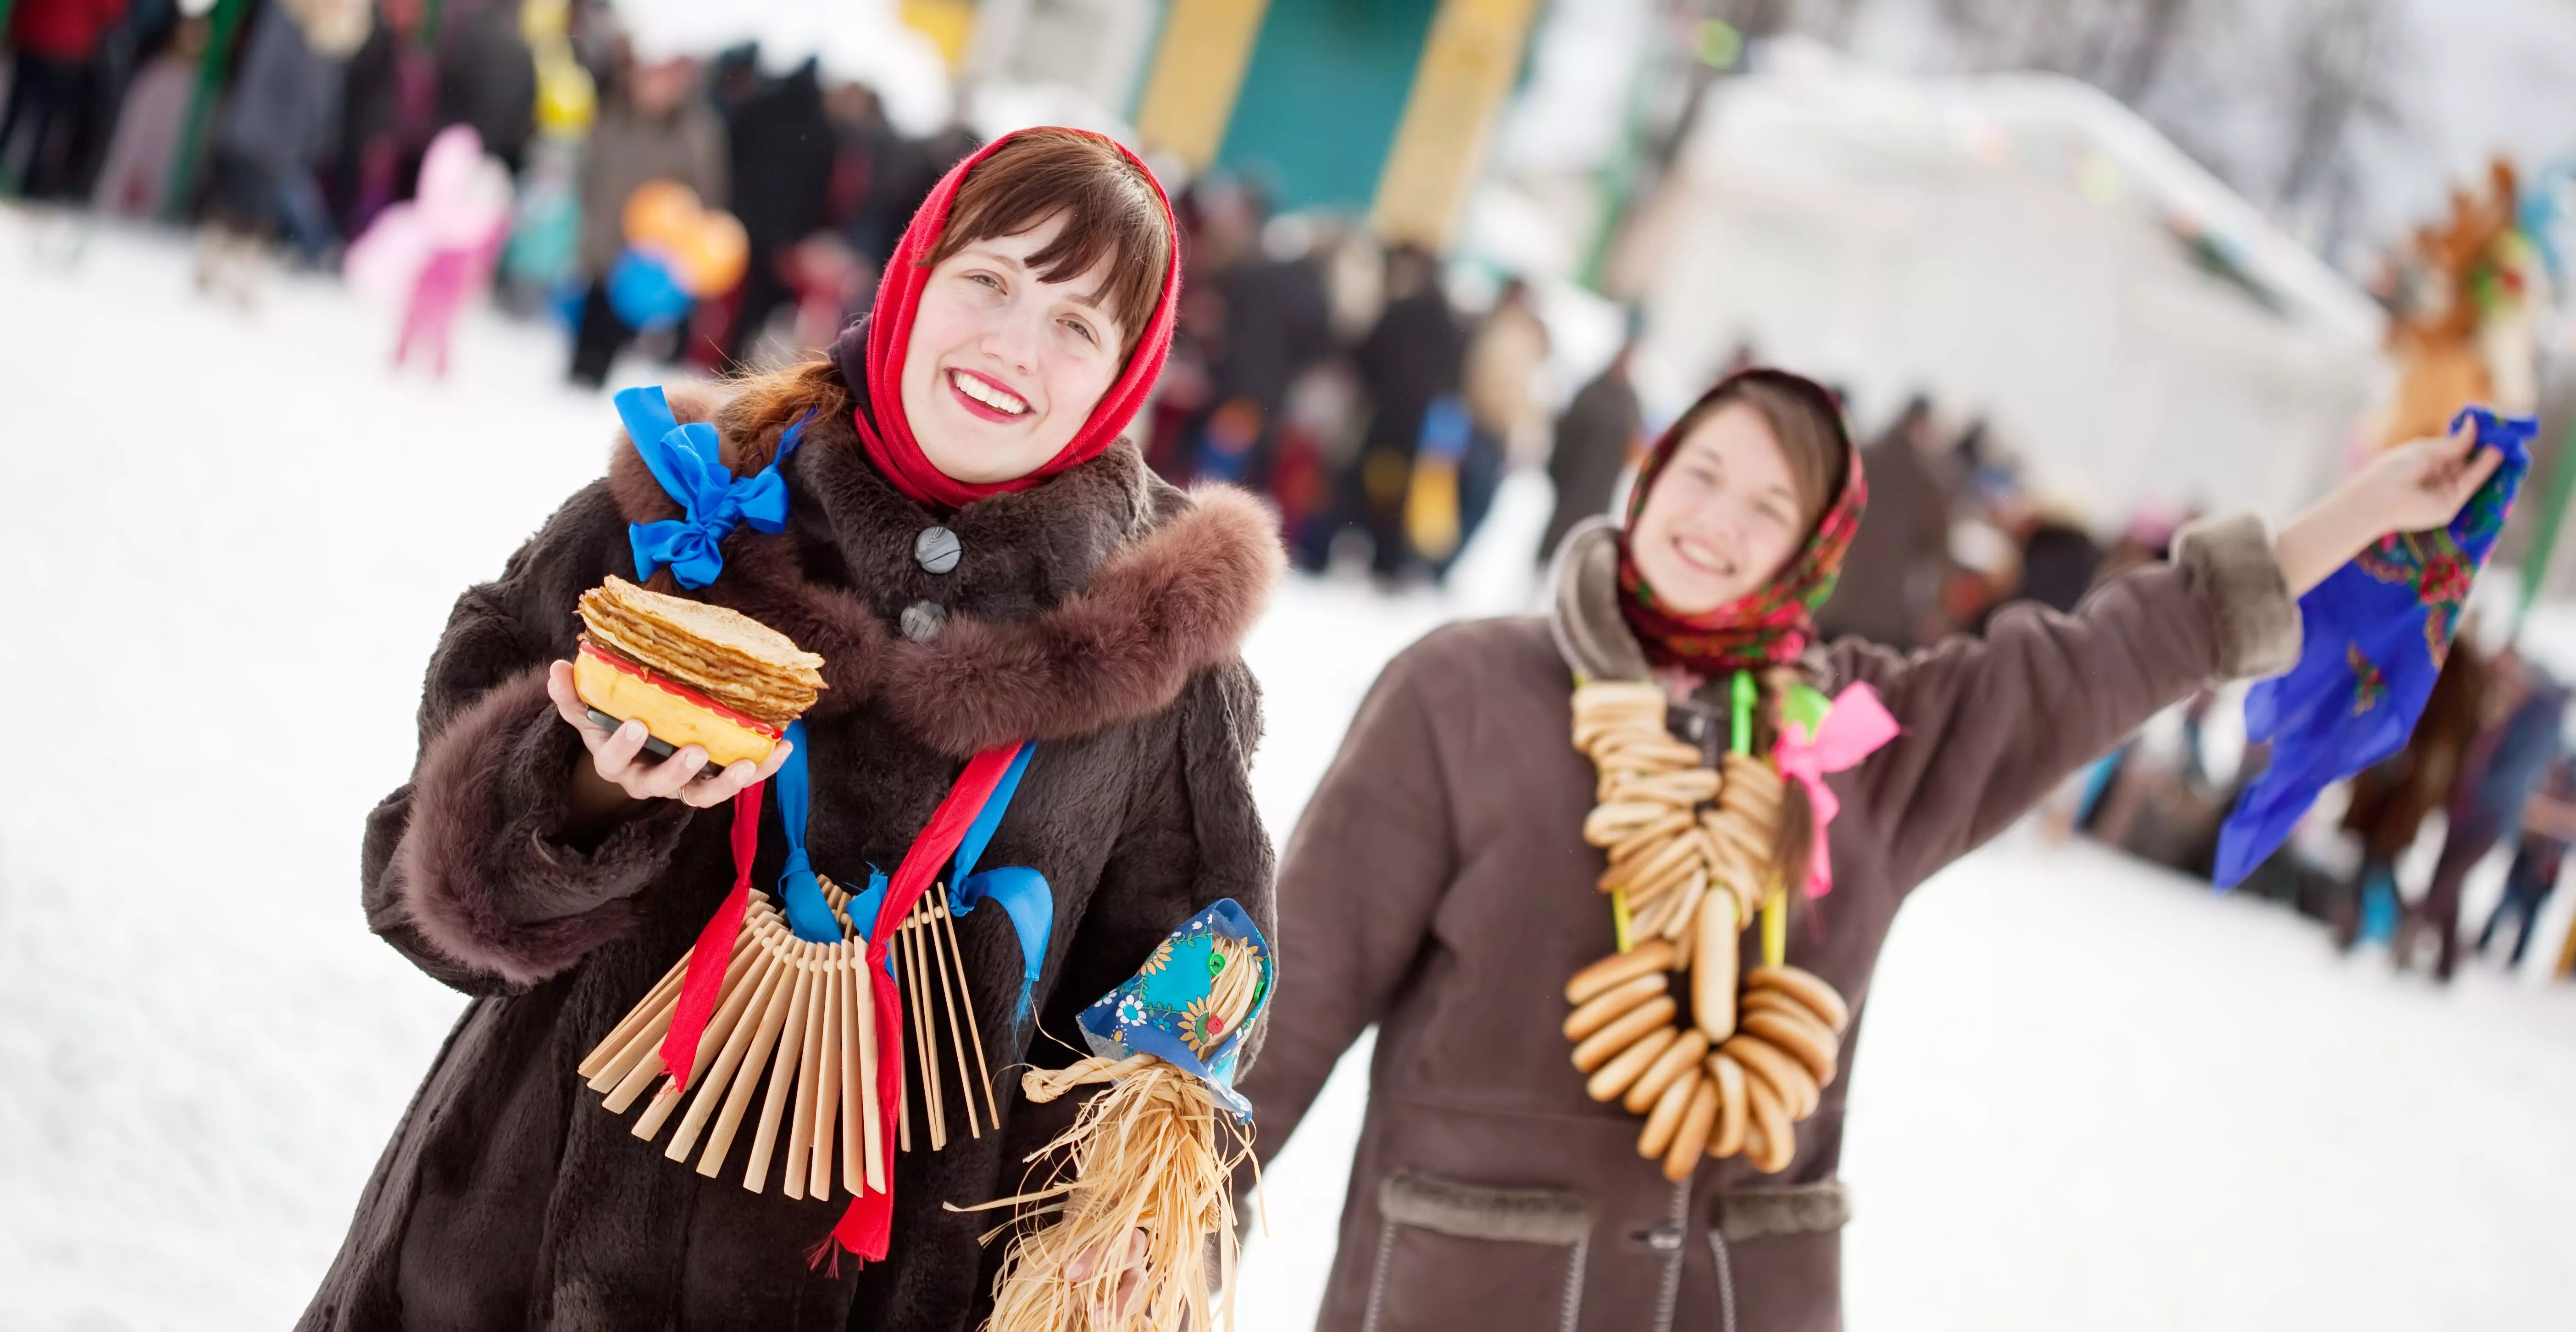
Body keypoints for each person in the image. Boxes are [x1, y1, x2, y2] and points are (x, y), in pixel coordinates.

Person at [1235, 367, 2500, 1332]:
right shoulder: (1465, 693)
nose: (1717, 521)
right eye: (1702, 475)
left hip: (1742, 1293)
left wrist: (2367, 511)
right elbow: (1297, 995)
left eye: (1767, 505)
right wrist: (1156, 1216)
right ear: (1650, 474)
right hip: (1474, 1293)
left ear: (1814, 549)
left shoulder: (1868, 737)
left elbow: (2107, 659)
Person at [300, 127, 1282, 1331]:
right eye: (992, 280)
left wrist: (1106, 1246)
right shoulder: (676, 517)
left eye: (1079, 327)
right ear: (916, 276)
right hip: (497, 1271)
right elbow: (415, 903)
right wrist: (590, 797)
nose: (1014, 346)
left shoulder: (1162, 670)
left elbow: (1174, 1054)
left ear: (1125, 378)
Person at [2395, 651, 2566, 982]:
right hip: (2467, 810)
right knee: (2449, 881)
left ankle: (2406, 926)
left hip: (2491, 817)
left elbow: (2510, 778)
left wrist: (2476, 786)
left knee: (2448, 882)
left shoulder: (2538, 724)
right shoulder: (2510, 711)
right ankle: (2445, 964)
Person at [567, 50, 727, 386]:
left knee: (619, 312)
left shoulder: (693, 133)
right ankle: (577, 370)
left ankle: (596, 373)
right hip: (603, 230)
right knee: (592, 300)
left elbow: (705, 190)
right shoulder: (615, 118)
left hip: (647, 247)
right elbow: (590, 168)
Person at [1815, 394, 1954, 647]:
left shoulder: (1856, 461)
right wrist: (1936, 610)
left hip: (1834, 601)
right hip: (1883, 615)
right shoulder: (1926, 481)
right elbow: (1938, 554)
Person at [1539, 325, 1644, 564]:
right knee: (1558, 535)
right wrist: (1558, 470)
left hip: (1603, 486)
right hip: (1574, 478)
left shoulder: (1632, 402)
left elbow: (1633, 444)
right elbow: (1567, 431)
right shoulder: (1592, 391)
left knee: (1584, 539)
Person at [2476, 755, 2576, 967]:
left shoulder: (2562, 772)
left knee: (2530, 911)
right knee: (2510, 900)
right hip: (2532, 848)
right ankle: (2486, 944)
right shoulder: (2558, 767)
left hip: (2549, 857)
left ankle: (2515, 956)